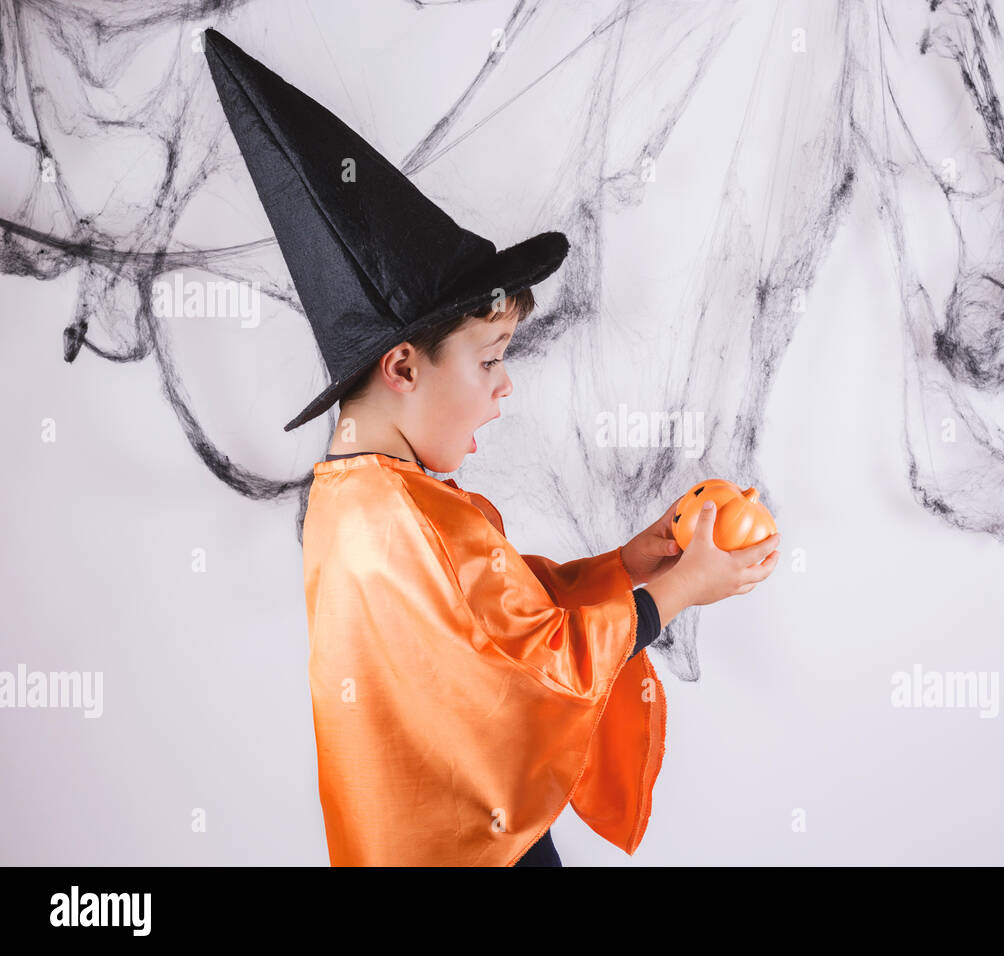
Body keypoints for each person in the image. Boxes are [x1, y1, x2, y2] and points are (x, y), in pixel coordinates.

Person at [202, 28, 779, 866]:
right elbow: (527, 672)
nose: (505, 388)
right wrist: (682, 589)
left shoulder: (366, 499)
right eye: (489, 360)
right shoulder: (388, 519)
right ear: (402, 364)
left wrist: (623, 566)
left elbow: (495, 626)